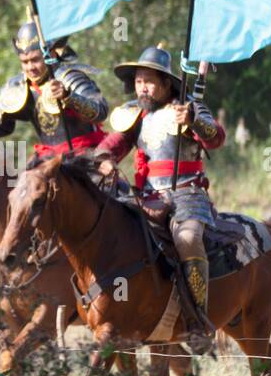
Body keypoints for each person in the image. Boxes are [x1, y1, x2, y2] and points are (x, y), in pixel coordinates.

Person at [95, 44, 226, 335]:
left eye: (149, 82)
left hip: (187, 196)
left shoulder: (189, 108)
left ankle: (197, 317)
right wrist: (104, 159)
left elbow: (215, 137)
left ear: (167, 83)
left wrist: (192, 121)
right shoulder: (136, 115)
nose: (142, 88)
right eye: (139, 81)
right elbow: (112, 144)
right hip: (145, 197)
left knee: (189, 239)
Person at [0, 20, 109, 159]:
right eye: (25, 62)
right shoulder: (19, 86)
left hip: (86, 155)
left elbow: (100, 111)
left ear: (52, 53)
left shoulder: (70, 77)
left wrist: (68, 96)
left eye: (35, 60)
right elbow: (1, 124)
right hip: (49, 160)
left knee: (111, 189)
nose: (30, 67)